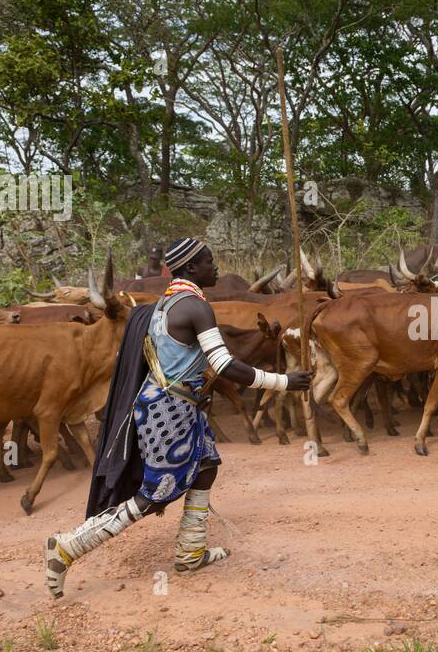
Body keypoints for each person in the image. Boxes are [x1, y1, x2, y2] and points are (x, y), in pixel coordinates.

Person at [44, 237, 312, 598]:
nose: (215, 268)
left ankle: (190, 553)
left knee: (206, 466)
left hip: (174, 405)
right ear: (190, 269)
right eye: (208, 262)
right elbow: (224, 365)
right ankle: (67, 547)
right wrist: (283, 382)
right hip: (168, 411)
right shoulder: (196, 308)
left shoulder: (163, 305)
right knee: (156, 495)